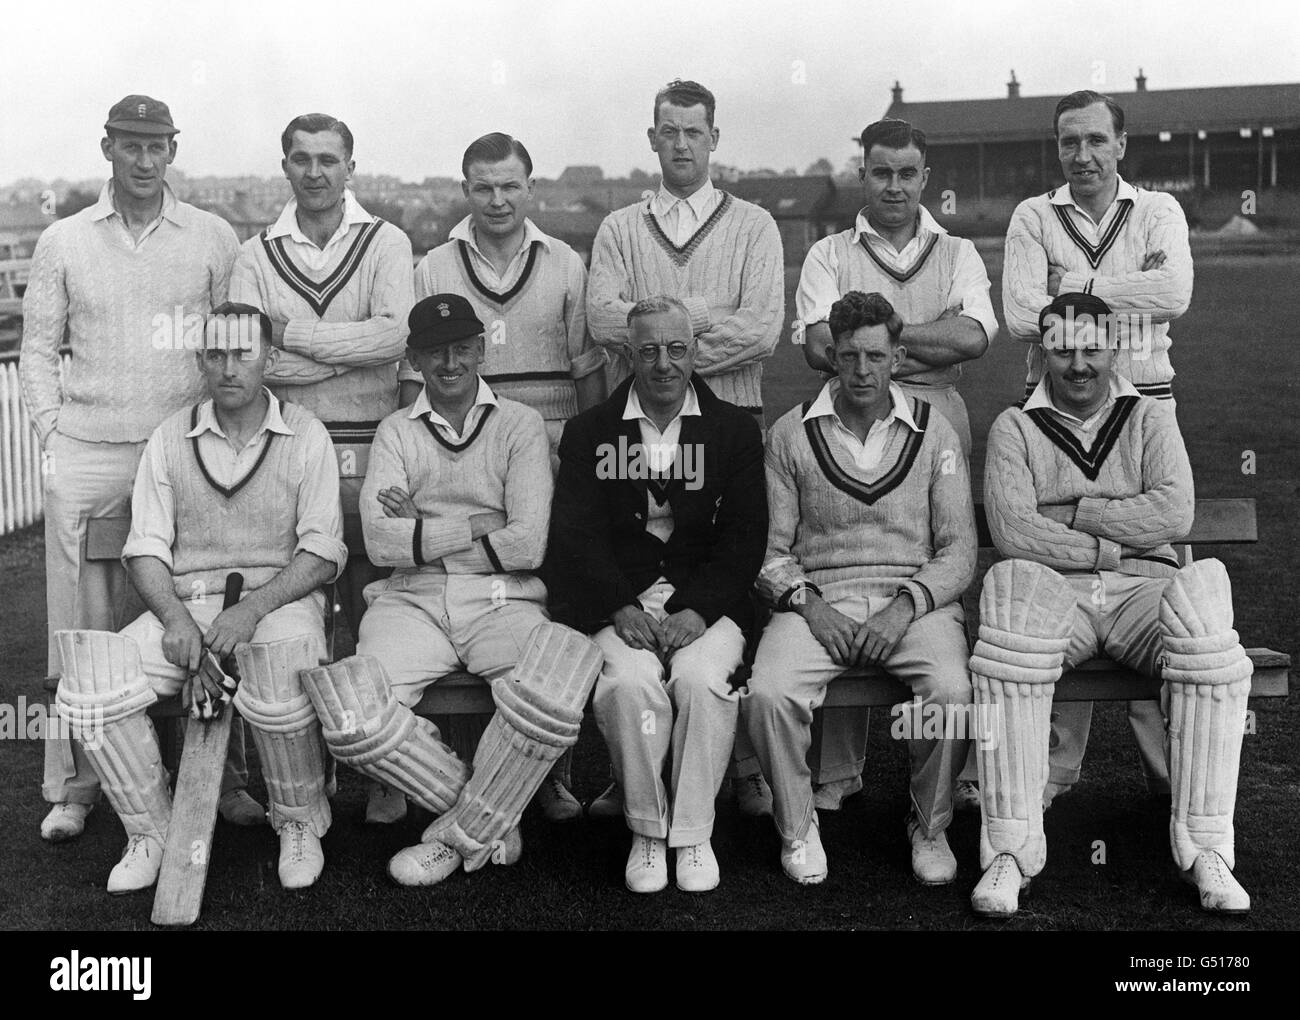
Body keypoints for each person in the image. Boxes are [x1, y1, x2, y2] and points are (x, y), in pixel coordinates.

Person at [971, 292, 1251, 917]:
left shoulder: (1150, 418)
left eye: (1091, 348)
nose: (1078, 364)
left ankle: (1209, 851)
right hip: (1054, 594)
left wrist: (1079, 513)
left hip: (1144, 593)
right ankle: (1008, 853)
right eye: (1063, 348)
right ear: (1041, 349)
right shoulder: (1016, 426)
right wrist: (1111, 545)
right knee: (1010, 619)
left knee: (1205, 620)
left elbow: (1174, 512)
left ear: (1115, 347)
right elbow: (1015, 532)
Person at [54, 304, 347, 893]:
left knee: (283, 666)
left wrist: (249, 611)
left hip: (275, 605)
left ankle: (297, 821)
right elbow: (145, 548)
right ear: (199, 361)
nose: (229, 368)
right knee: (89, 681)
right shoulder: (170, 436)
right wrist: (178, 621)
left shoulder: (306, 433)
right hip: (188, 606)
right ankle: (152, 829)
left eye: (243, 353)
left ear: (269, 358)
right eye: (216, 355)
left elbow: (321, 552)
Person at [20, 94, 246, 843]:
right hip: (87, 448)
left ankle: (220, 778)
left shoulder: (213, 235)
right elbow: (37, 350)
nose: (145, 161)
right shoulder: (61, 239)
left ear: (173, 150)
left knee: (194, 606)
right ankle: (77, 785)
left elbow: (232, 340)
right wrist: (55, 433)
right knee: (80, 627)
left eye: (158, 147)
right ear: (107, 148)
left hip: (181, 447)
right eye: (130, 146)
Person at [302, 293, 577, 886]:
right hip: (411, 598)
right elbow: (380, 543)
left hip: (502, 595)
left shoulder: (521, 425)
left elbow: (529, 545)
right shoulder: (396, 431)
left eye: (460, 349)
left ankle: (454, 834)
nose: (449, 364)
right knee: (355, 717)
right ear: (414, 360)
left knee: (546, 697)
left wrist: (421, 523)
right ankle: (486, 813)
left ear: (480, 349)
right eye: (433, 353)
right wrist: (479, 523)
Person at [587, 77, 784, 816]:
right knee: (641, 565)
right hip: (639, 423)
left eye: (693, 132)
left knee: (725, 579)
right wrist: (701, 323)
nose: (680, 144)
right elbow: (605, 324)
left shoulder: (755, 225)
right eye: (667, 131)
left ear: (713, 138)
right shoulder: (619, 229)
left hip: (728, 424)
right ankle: (628, 771)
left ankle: (737, 767)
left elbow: (763, 328)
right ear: (652, 138)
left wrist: (667, 328)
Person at [397, 132, 607, 821]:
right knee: (459, 590)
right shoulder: (433, 264)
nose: (497, 200)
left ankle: (548, 774)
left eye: (510, 185)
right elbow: (412, 376)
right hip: (459, 448)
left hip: (546, 447)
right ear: (465, 190)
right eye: (483, 187)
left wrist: (588, 464)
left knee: (548, 601)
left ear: (530, 187)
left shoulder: (565, 261)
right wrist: (415, 453)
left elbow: (588, 374)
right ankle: (462, 764)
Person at [793, 117, 997, 811]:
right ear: (863, 173)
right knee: (841, 560)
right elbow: (821, 346)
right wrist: (886, 354)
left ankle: (947, 779)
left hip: (939, 417)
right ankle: (839, 769)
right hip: (848, 414)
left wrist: (882, 340)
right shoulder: (830, 252)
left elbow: (972, 337)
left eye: (908, 174)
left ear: (925, 178)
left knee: (942, 565)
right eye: (881, 172)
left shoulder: (957, 249)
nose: (895, 186)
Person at [744, 291, 975, 886]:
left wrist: (904, 608)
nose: (863, 370)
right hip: (819, 602)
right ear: (831, 359)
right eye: (849, 357)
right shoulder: (790, 435)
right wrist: (811, 609)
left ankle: (929, 825)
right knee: (768, 693)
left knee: (950, 693)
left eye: (876, 355)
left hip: (912, 602)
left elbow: (958, 551)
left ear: (897, 356)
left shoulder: (937, 431)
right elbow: (770, 552)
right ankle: (797, 828)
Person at [1001, 89, 1194, 807]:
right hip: (1055, 412)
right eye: (1067, 142)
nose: (1080, 155)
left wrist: (1074, 287)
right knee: (1061, 586)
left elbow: (1174, 291)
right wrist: (1117, 294)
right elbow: (1024, 315)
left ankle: (1174, 775)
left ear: (1121, 143)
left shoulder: (1158, 211)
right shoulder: (1033, 215)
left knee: (1151, 585)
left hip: (1146, 408)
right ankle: (1052, 774)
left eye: (1094, 140)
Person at [544, 296, 766, 893]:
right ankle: (647, 828)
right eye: (647, 351)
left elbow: (746, 537)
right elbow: (575, 535)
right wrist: (618, 606)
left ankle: (692, 833)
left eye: (676, 349)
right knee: (629, 682)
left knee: (699, 680)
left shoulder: (734, 431)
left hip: (704, 601)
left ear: (695, 353)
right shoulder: (590, 433)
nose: (663, 364)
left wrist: (698, 608)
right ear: (627, 356)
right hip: (619, 601)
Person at [229, 113, 414, 823]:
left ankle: (382, 767)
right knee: (299, 604)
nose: (315, 172)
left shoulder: (386, 240)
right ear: (285, 167)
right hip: (287, 446)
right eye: (301, 159)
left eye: (328, 160)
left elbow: (398, 333)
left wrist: (297, 338)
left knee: (377, 603)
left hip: (375, 443)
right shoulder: (255, 252)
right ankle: (302, 776)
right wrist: (350, 344)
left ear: (350, 168)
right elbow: (255, 355)